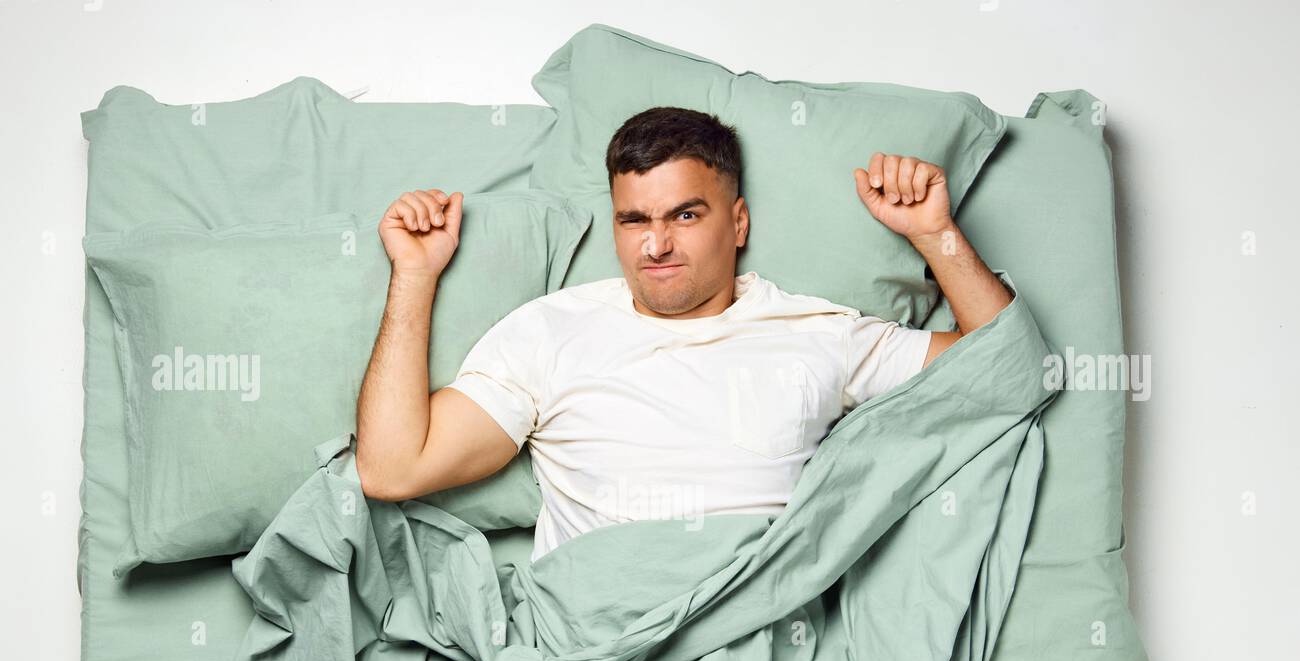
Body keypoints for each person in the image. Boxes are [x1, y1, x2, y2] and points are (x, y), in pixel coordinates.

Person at [355, 107, 1013, 561]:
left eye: (686, 214)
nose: (658, 244)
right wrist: (414, 275)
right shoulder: (549, 333)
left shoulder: (814, 332)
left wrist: (935, 234)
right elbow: (391, 469)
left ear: (738, 223)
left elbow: (1004, 370)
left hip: (747, 633)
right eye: (634, 219)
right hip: (598, 642)